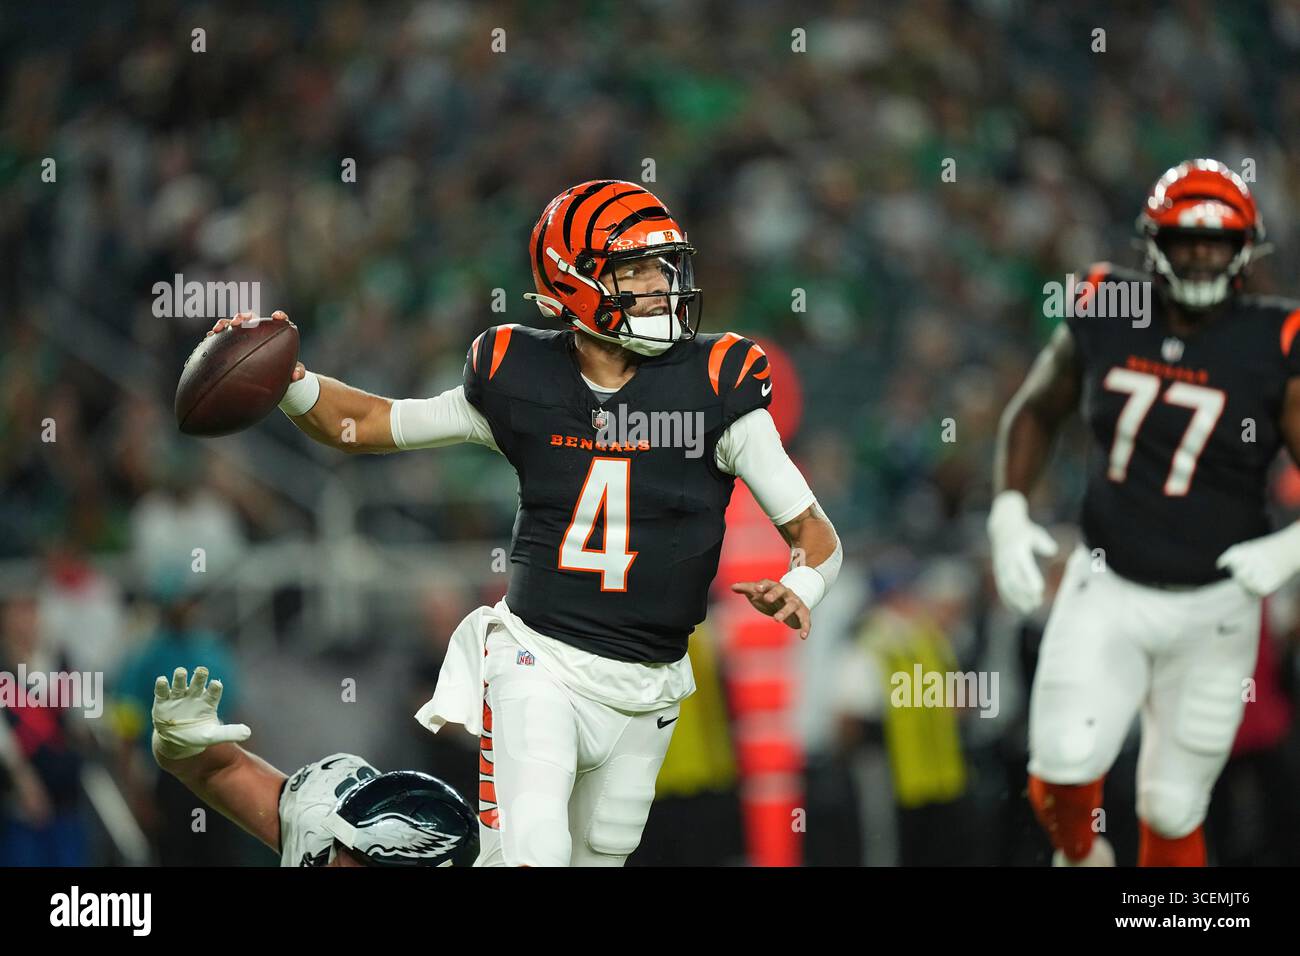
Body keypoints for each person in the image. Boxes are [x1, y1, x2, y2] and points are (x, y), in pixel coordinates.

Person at [203, 181, 842, 866]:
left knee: (594, 854)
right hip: (539, 659)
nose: (660, 286)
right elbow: (374, 424)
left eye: (664, 266)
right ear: (576, 284)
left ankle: (335, 837)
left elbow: (816, 536)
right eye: (636, 271)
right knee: (534, 850)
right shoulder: (520, 374)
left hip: (647, 682)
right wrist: (292, 382)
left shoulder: (719, 383)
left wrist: (801, 588)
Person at [988, 158, 1300, 866]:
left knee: (1171, 804)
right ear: (1153, 241)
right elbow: (1039, 407)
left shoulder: (1277, 339)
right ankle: (1083, 858)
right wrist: (1008, 508)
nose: (1198, 254)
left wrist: (1291, 548)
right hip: (1108, 581)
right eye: (1184, 238)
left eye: (1214, 242)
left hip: (1216, 606)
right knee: (1060, 768)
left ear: (1245, 249)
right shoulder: (1106, 301)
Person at [152, 666, 477, 867]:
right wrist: (180, 744)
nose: (336, 860)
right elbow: (216, 770)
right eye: (344, 845)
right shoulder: (319, 824)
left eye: (362, 858)